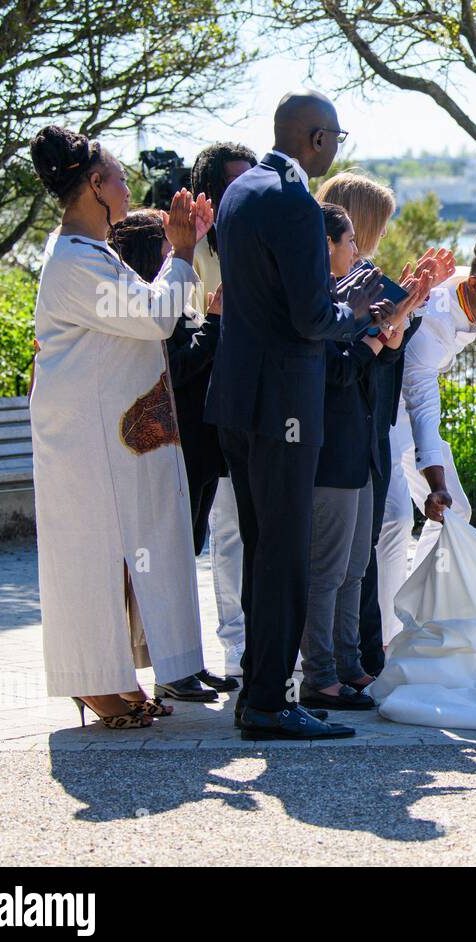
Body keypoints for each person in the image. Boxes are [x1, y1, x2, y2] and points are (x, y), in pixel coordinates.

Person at [203, 89, 391, 741]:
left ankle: (259, 690)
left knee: (262, 549)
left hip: (237, 399)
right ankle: (268, 705)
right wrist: (364, 315)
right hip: (284, 403)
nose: (337, 148)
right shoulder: (294, 203)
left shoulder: (240, 192)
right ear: (315, 140)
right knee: (282, 555)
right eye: (336, 137)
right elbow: (313, 317)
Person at [28, 125, 211, 729]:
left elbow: (167, 312)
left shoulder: (91, 252)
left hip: (108, 430)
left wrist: (184, 256)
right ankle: (95, 681)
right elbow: (158, 317)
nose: (129, 185)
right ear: (97, 186)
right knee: (88, 553)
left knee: (125, 551)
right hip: (84, 436)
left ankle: (117, 676)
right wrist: (180, 253)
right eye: (121, 176)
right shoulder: (77, 261)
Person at [313, 171, 454, 675]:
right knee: (341, 563)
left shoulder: (364, 281)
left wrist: (409, 308)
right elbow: (346, 362)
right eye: (377, 226)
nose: (381, 237)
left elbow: (389, 361)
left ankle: (360, 657)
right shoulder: (329, 289)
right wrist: (387, 328)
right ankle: (333, 666)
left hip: (370, 433)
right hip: (345, 437)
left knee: (361, 556)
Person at [374, 228, 476, 647]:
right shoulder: (438, 325)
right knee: (393, 522)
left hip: (410, 415)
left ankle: (416, 613)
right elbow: (422, 403)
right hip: (386, 418)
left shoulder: (471, 281)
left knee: (454, 514)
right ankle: (381, 638)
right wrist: (436, 481)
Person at [297, 204, 429, 710]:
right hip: (330, 451)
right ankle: (320, 675)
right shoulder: (319, 302)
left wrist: (393, 329)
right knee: (327, 571)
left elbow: (374, 366)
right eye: (349, 241)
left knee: (354, 568)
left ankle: (349, 666)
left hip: (362, 445)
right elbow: (333, 370)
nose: (356, 250)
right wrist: (378, 334)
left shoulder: (349, 299)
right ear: (327, 244)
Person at [108, 209, 238, 701]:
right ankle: (171, 669)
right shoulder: (145, 308)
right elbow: (176, 367)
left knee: (185, 558)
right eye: (167, 248)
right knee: (165, 563)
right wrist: (216, 323)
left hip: (199, 449)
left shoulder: (172, 299)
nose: (175, 256)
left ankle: (185, 662)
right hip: (175, 448)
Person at [188, 142, 258, 679]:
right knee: (227, 529)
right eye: (231, 184)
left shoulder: (258, 241)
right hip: (210, 410)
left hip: (262, 402)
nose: (242, 193)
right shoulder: (193, 254)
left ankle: (265, 642)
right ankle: (232, 648)